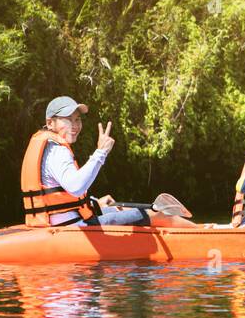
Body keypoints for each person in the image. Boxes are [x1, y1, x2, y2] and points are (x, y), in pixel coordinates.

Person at [20, 96, 151, 227]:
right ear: (50, 123)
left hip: (67, 221)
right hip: (73, 227)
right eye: (68, 120)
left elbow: (67, 194)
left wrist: (95, 202)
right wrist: (101, 152)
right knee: (154, 215)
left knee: (119, 209)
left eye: (77, 119)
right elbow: (75, 187)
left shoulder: (50, 147)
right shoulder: (57, 150)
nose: (75, 125)